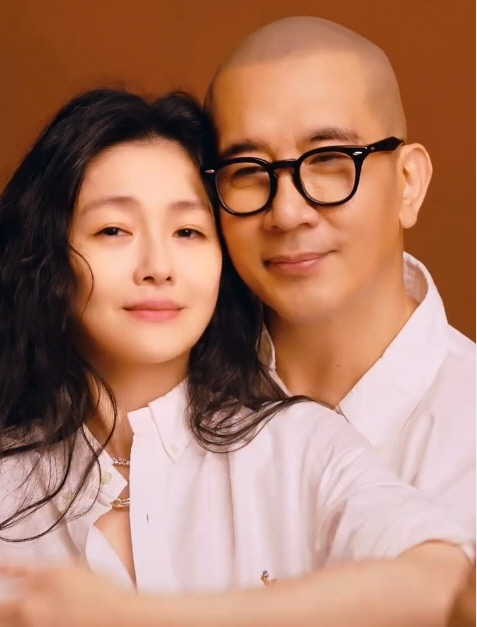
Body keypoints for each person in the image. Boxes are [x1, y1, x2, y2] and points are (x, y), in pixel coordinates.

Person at [0, 88, 472, 626]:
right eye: (114, 230)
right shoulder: (10, 476)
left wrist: (135, 618)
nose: (158, 267)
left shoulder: (296, 445)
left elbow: (446, 584)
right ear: (49, 261)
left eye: (188, 231)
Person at [205, 15, 476, 533]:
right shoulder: (160, 420)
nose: (287, 213)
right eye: (248, 171)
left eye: (329, 159)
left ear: (409, 183)